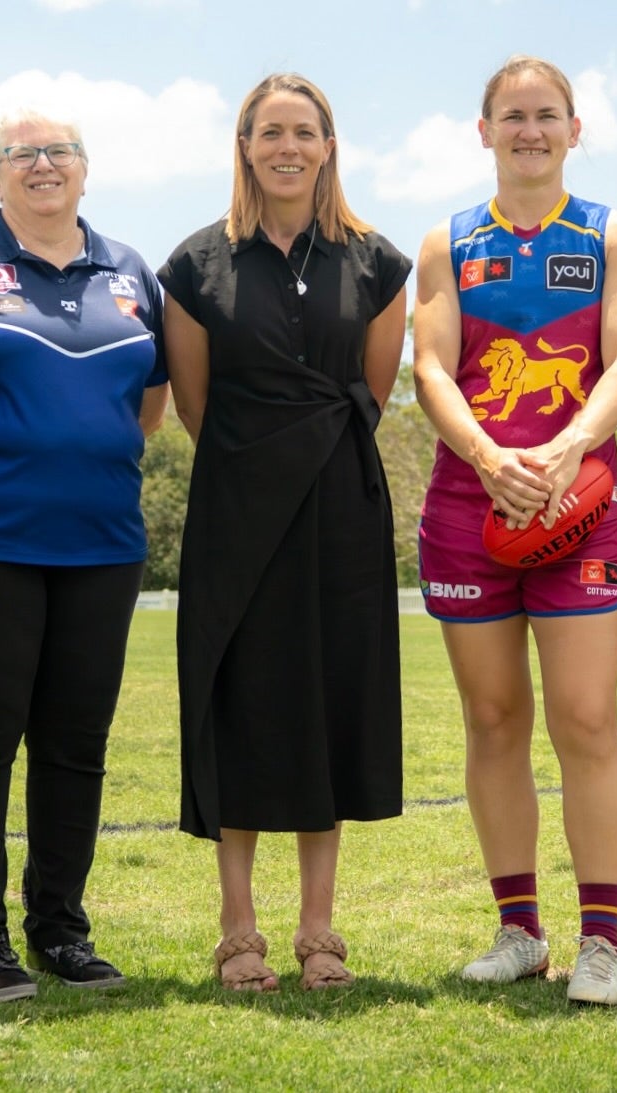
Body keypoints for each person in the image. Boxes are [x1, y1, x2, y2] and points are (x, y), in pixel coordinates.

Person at [0, 110, 169, 1002]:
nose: (42, 165)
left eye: (59, 152)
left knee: (75, 744)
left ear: (85, 168)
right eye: (21, 154)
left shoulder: (130, 271)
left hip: (102, 545)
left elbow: (148, 405)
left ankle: (60, 929)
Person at [158, 74, 410, 993]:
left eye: (304, 132)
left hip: (340, 506)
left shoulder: (376, 261)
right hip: (236, 508)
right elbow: (193, 403)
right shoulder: (196, 264)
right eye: (270, 132)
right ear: (245, 146)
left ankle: (317, 930)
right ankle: (238, 930)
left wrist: (309, 458)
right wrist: (260, 464)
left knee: (325, 701)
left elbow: (371, 389)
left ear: (328, 146)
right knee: (241, 703)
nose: (287, 147)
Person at [410, 56, 617, 1006]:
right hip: (469, 509)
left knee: (585, 718)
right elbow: (430, 368)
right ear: (484, 132)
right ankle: (519, 930)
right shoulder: (447, 242)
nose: (529, 131)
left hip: (575, 506)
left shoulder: (610, 236)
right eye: (511, 117)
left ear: (573, 129)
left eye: (546, 115)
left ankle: (601, 942)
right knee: (492, 719)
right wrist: (487, 458)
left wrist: (563, 451)